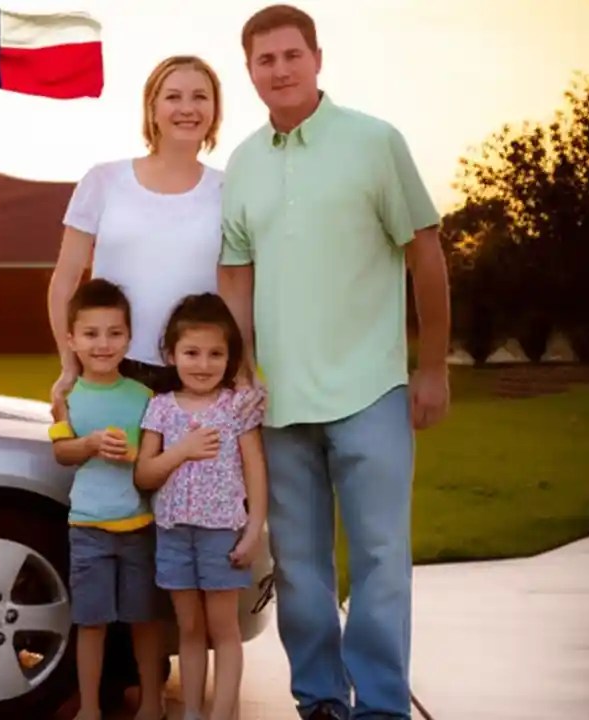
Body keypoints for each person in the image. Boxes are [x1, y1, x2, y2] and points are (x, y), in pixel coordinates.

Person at [217, 5, 451, 719]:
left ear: (317, 59)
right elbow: (235, 273)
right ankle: (319, 697)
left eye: (292, 55)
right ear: (250, 70)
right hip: (280, 400)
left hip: (371, 387)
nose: (280, 70)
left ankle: (381, 706)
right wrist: (244, 368)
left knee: (381, 560)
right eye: (265, 60)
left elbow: (426, 254)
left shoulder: (375, 142)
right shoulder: (245, 162)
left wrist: (433, 365)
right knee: (301, 566)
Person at [47, 54, 228, 712]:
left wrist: (239, 370)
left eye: (200, 97)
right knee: (107, 525)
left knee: (172, 533)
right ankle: (107, 685)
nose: (187, 107)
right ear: (151, 107)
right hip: (114, 373)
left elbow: (238, 285)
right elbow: (67, 276)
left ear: (214, 110)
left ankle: (159, 688)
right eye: (173, 95)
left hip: (192, 379)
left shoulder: (227, 189)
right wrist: (71, 363)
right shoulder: (104, 181)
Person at [134, 293, 269, 720]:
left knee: (223, 628)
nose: (203, 364)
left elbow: (255, 471)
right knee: (189, 628)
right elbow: (145, 475)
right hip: (173, 534)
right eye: (191, 353)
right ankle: (192, 711)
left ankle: (222, 713)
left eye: (216, 354)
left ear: (230, 358)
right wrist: (184, 451)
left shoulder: (235, 408)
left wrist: (252, 531)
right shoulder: (160, 408)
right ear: (171, 355)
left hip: (221, 534)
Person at [48, 278, 163, 720]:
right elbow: (62, 452)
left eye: (115, 333)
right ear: (73, 339)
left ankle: (152, 704)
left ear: (129, 338)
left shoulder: (145, 398)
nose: (103, 344)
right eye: (92, 334)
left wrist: (132, 454)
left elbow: (152, 464)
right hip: (88, 529)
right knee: (91, 622)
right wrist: (90, 444)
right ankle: (90, 708)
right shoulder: (67, 398)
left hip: (138, 528)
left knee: (144, 621)